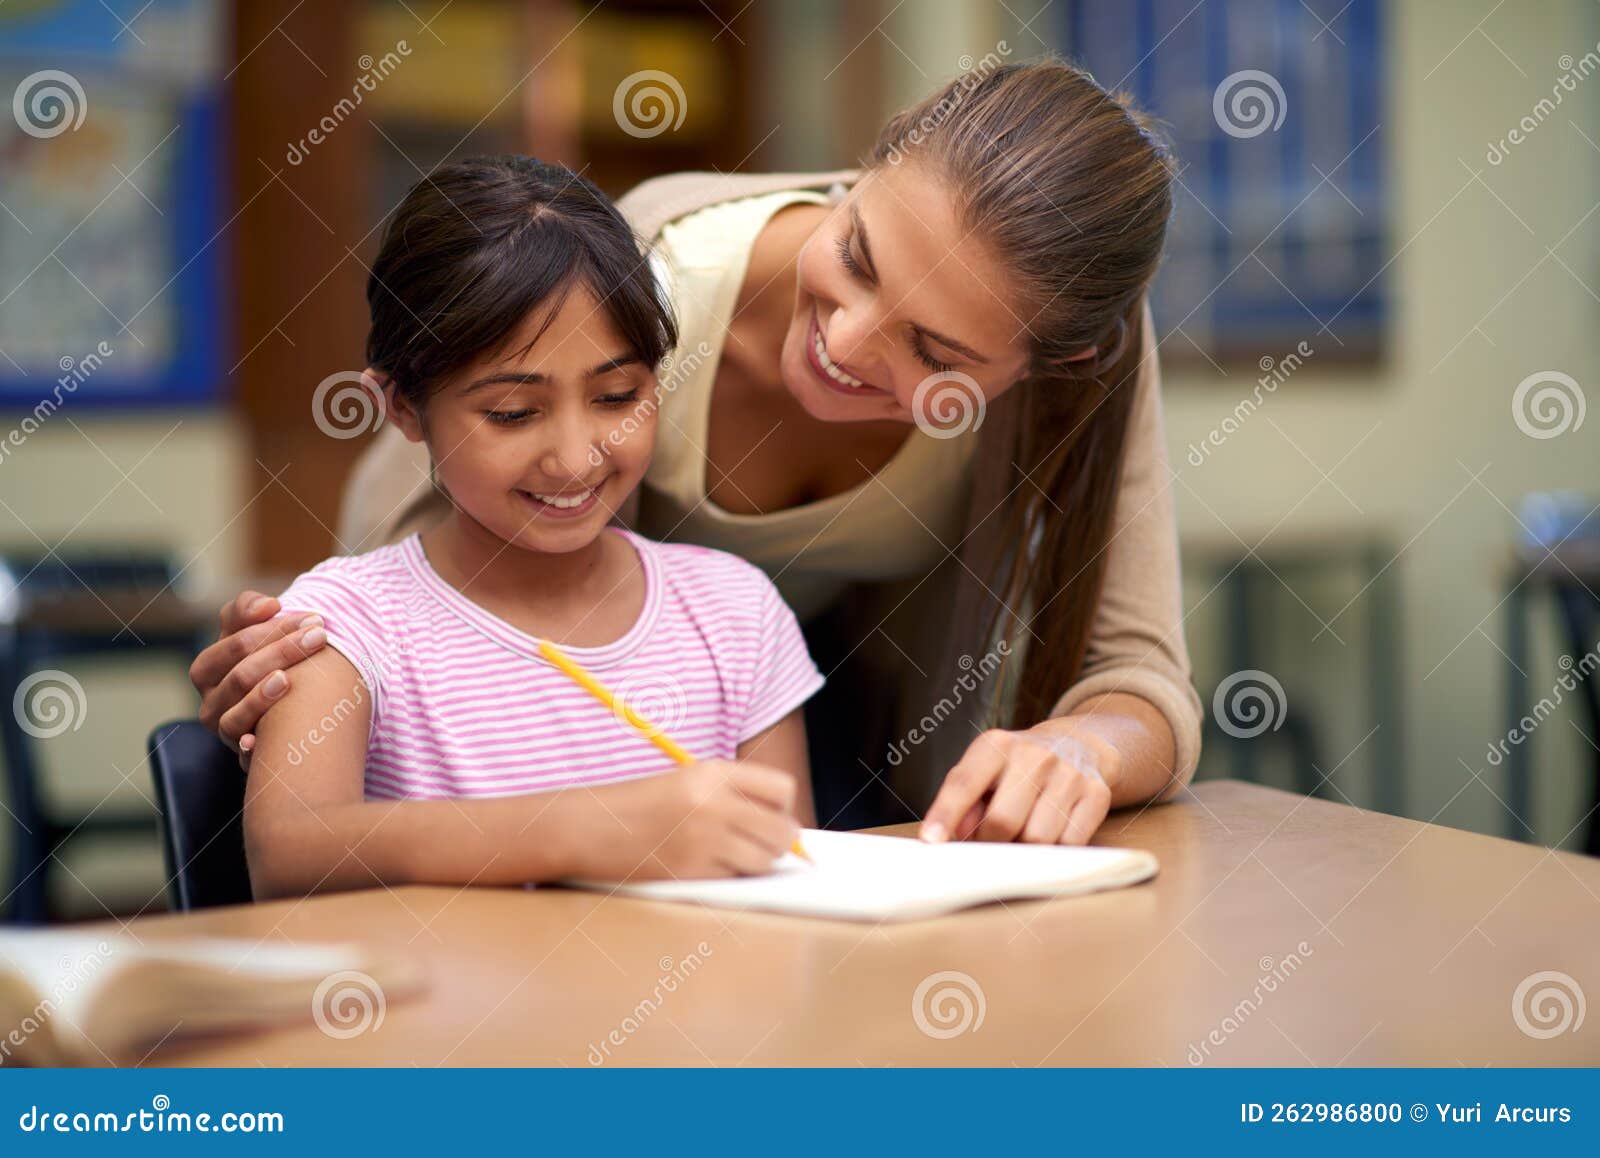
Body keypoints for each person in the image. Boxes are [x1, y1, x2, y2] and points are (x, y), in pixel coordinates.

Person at [195, 56, 1202, 850]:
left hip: (809, 753)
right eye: (855, 256)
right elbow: (433, 631)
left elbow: (1139, 675)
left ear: (1054, 358)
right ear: (864, 163)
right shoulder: (639, 277)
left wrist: (1083, 748)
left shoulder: (1083, 362)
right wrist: (321, 683)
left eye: (935, 353)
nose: (845, 344)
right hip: (544, 758)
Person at [244, 156, 822, 900]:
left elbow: (791, 879)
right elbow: (287, 854)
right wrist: (588, 830)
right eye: (513, 414)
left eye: (618, 397)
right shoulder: (347, 625)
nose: (576, 458)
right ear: (402, 408)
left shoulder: (735, 613)